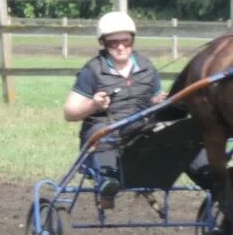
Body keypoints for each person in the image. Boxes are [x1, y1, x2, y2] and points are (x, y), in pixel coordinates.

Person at [63, 12, 166, 207]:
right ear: (103, 43)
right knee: (103, 135)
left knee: (175, 134)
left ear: (132, 40)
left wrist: (157, 101)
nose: (120, 47)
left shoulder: (147, 67)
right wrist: (93, 105)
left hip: (140, 128)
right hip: (105, 127)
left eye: (125, 41)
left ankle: (208, 174)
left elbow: (154, 100)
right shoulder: (92, 70)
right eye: (113, 42)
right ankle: (107, 183)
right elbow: (69, 112)